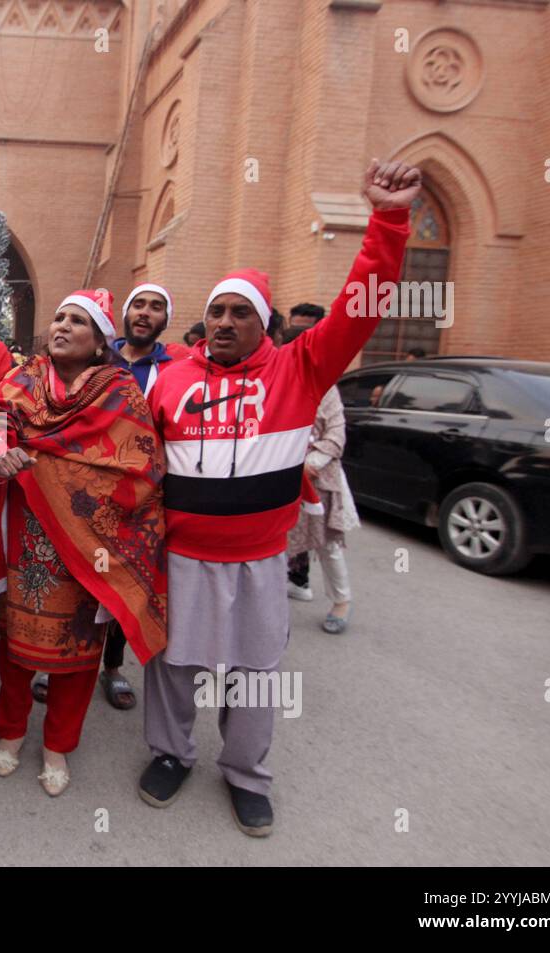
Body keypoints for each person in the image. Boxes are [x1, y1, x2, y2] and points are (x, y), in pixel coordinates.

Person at [140, 159, 420, 836]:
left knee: (254, 673)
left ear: (265, 322)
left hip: (261, 561)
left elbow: (362, 306)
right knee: (174, 666)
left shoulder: (301, 367)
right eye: (217, 312)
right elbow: (134, 466)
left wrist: (388, 221)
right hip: (181, 559)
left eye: (242, 312)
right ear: (203, 322)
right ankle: (172, 754)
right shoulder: (168, 381)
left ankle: (244, 774)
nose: (228, 322)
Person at [0, 288, 166, 797]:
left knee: (78, 652)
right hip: (26, 539)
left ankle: (57, 747)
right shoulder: (23, 379)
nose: (62, 326)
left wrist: (54, 474)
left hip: (92, 546)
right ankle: (10, 732)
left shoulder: (120, 393)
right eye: (58, 317)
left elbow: (142, 468)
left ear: (99, 343)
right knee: (16, 648)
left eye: (78, 321)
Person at [86, 281, 188, 711]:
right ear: (126, 314)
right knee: (81, 574)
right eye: (139, 305)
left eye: (156, 307)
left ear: (166, 318)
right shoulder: (99, 359)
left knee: (124, 583)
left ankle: (112, 667)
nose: (146, 313)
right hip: (90, 487)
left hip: (144, 494)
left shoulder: (175, 368)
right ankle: (66, 663)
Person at [285, 377, 358, 633]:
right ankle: (284, 593)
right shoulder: (279, 382)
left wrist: (308, 463)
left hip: (318, 478)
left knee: (327, 544)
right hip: (280, 473)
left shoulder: (326, 390)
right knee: (274, 543)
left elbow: (336, 437)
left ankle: (342, 601)